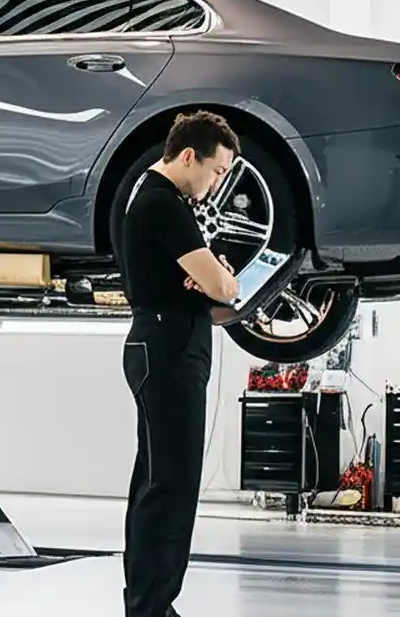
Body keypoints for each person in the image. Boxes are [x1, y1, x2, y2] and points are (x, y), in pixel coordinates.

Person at [117, 110, 241, 617]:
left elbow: (211, 276)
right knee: (170, 488)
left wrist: (214, 273)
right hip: (166, 347)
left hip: (166, 344)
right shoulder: (164, 204)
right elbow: (221, 287)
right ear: (189, 155)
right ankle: (151, 609)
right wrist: (220, 277)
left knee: (158, 483)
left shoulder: (162, 202)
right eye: (216, 171)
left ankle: (149, 605)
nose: (217, 184)